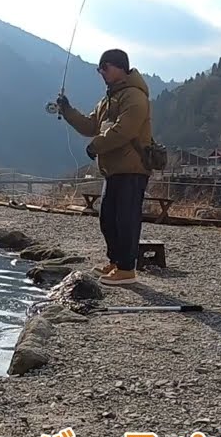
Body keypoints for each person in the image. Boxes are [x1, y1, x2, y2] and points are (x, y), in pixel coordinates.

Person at [55, 48, 154, 286]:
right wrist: (67, 110)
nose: (101, 72)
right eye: (99, 68)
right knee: (108, 219)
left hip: (132, 168)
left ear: (120, 67)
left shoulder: (135, 96)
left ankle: (127, 269)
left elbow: (124, 130)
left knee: (126, 219)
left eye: (105, 67)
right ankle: (116, 262)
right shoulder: (108, 99)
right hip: (112, 170)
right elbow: (90, 125)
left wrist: (95, 146)